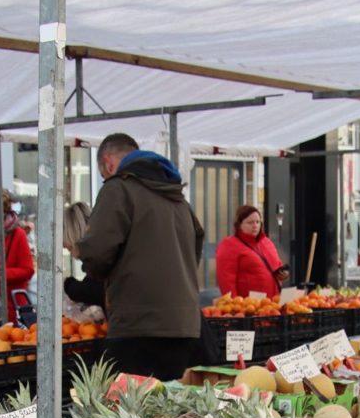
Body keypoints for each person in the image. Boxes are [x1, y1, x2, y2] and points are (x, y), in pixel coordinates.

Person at [71, 132, 203, 379]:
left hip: (137, 324)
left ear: (108, 163)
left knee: (134, 407)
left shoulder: (118, 189)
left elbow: (98, 251)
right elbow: (195, 246)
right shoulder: (177, 198)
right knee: (170, 410)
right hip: (184, 324)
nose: (104, 179)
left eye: (102, 174)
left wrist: (90, 265)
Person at [214, 205, 288, 298]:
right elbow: (226, 280)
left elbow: (277, 264)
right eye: (250, 222)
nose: (255, 226)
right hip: (249, 304)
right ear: (239, 225)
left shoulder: (266, 241)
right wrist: (234, 305)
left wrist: (282, 273)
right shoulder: (229, 245)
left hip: (273, 301)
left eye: (257, 222)